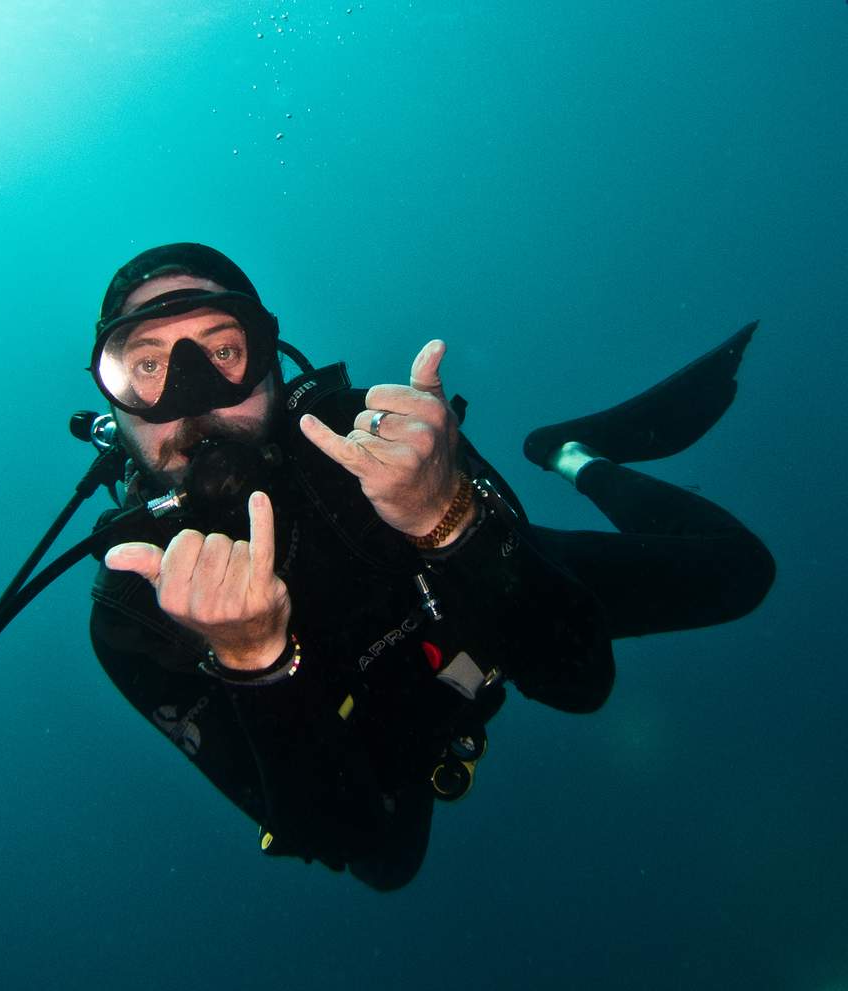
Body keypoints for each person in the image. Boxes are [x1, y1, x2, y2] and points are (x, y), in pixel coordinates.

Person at [85, 243, 775, 891]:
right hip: (378, 743)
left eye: (224, 350)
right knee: (390, 864)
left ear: (269, 363)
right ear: (114, 404)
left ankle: (569, 453)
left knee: (738, 570)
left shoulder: (384, 439)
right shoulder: (134, 612)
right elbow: (353, 839)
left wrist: (442, 517)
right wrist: (251, 662)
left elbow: (577, 679)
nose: (191, 393)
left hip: (493, 595)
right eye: (144, 365)